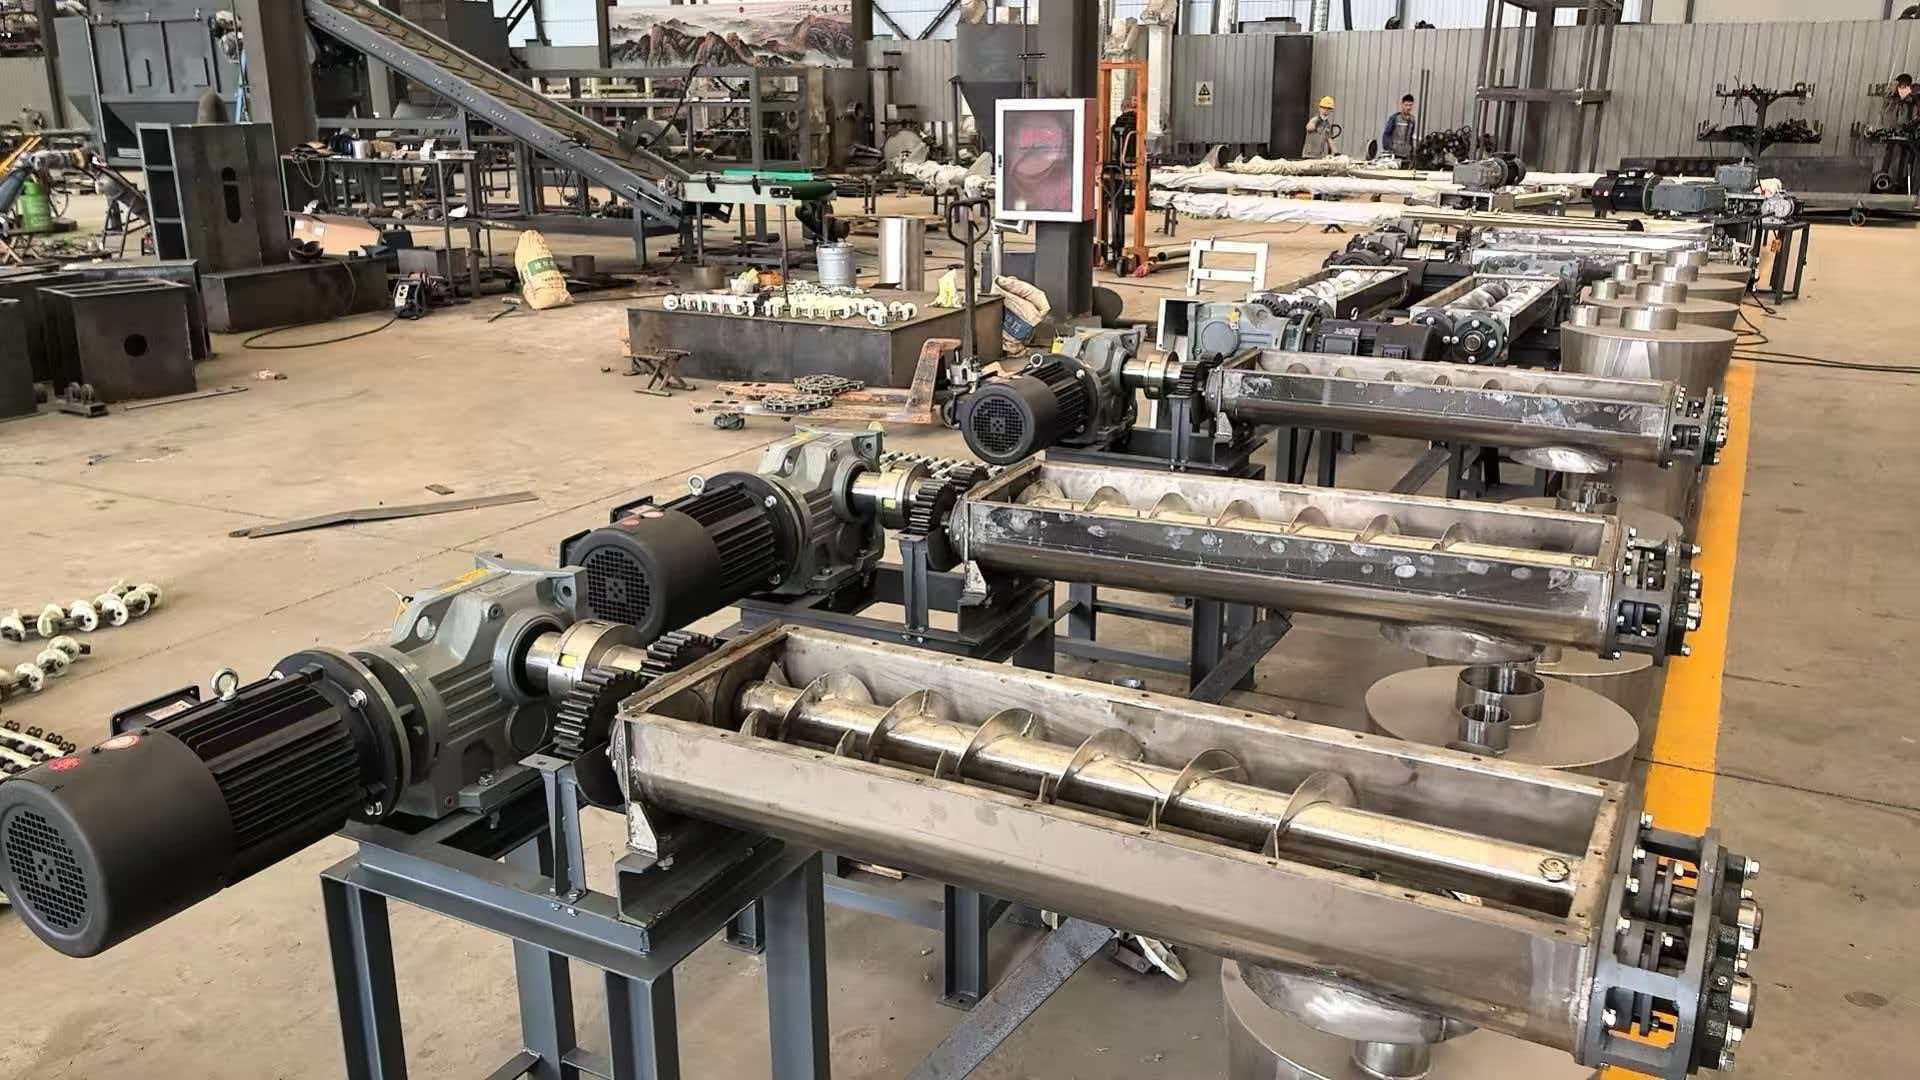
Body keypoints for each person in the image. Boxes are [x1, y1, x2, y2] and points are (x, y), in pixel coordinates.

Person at [1381, 94, 1417, 166]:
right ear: (1402, 105)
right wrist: (1388, 149)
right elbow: (1386, 134)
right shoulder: (1395, 118)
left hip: (1406, 155)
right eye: (1406, 105)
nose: (1408, 107)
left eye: (1410, 105)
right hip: (1394, 154)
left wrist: (1412, 151)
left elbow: (1410, 137)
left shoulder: (1412, 120)